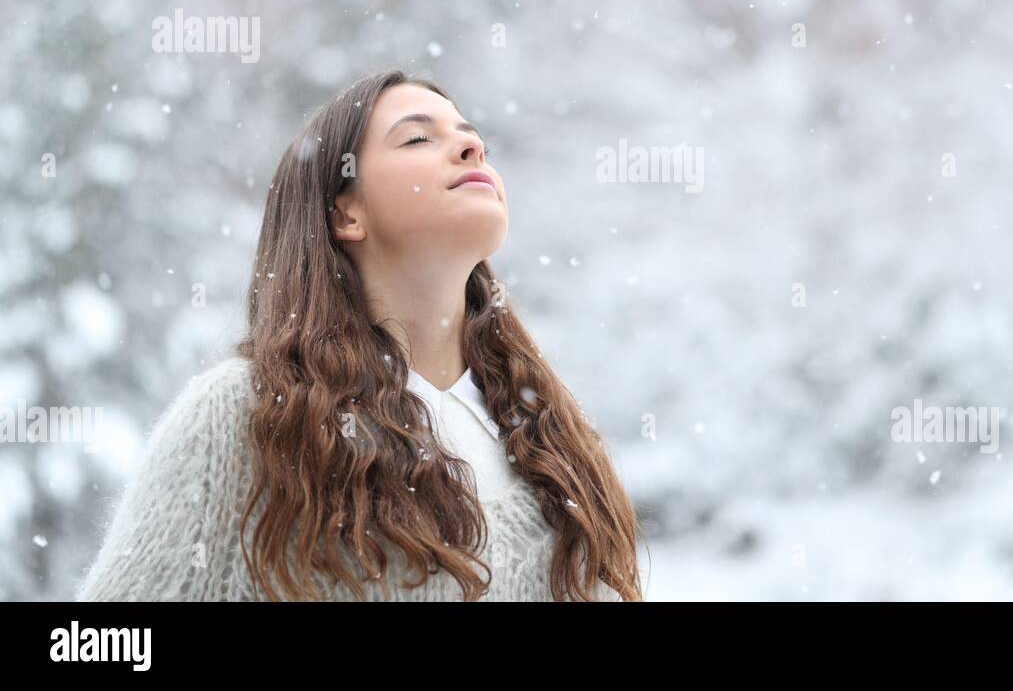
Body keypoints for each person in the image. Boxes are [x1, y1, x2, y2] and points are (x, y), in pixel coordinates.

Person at [75, 68, 642, 601]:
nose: (473, 150)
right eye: (418, 139)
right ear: (345, 214)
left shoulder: (548, 434)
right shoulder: (247, 414)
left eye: (474, 140)